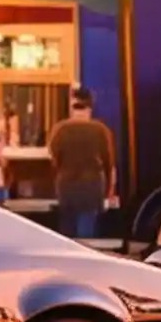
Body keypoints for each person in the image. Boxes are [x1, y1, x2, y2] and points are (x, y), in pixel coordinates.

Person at [49, 87, 115, 238]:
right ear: (90, 108)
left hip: (67, 184)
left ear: (72, 108)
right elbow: (108, 163)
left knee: (67, 229)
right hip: (92, 185)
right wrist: (109, 190)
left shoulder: (60, 129)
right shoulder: (101, 130)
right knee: (88, 231)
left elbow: (54, 159)